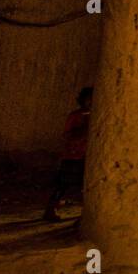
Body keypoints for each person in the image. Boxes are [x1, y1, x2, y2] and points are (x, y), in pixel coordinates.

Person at [45, 86, 92, 222]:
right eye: (88, 99)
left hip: (85, 157)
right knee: (63, 184)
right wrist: (84, 129)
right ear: (82, 100)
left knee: (84, 186)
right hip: (72, 156)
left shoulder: (94, 116)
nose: (90, 103)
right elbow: (67, 135)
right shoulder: (75, 116)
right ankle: (51, 210)